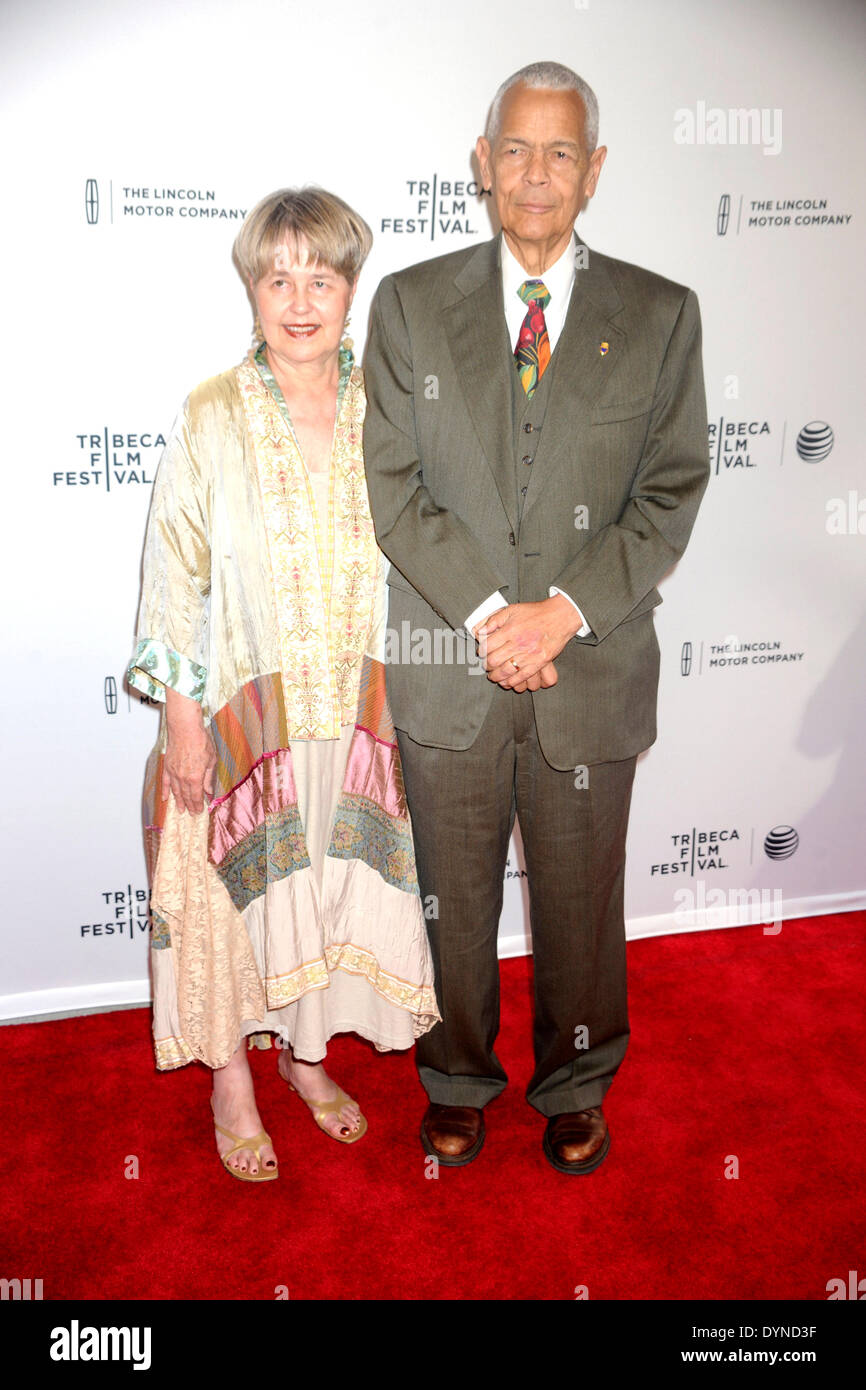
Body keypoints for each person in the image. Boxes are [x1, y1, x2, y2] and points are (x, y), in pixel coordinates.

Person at [363, 62, 709, 1173]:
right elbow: (393, 486)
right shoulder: (410, 305)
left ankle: (573, 1081)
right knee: (449, 901)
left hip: (587, 671)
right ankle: (456, 1076)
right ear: (480, 161)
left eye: (560, 152)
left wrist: (559, 612)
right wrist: (484, 614)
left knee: (577, 902)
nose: (535, 174)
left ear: (594, 170)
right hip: (447, 671)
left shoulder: (659, 316)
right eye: (514, 148)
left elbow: (668, 493)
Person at [127, 187, 438, 1183]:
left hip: (348, 709)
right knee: (225, 903)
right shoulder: (212, 410)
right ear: (251, 286)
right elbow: (173, 565)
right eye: (278, 275)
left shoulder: (387, 408)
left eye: (322, 275)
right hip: (237, 714)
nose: (299, 298)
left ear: (352, 289)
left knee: (326, 894)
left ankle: (305, 1060)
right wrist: (180, 716)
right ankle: (230, 1081)